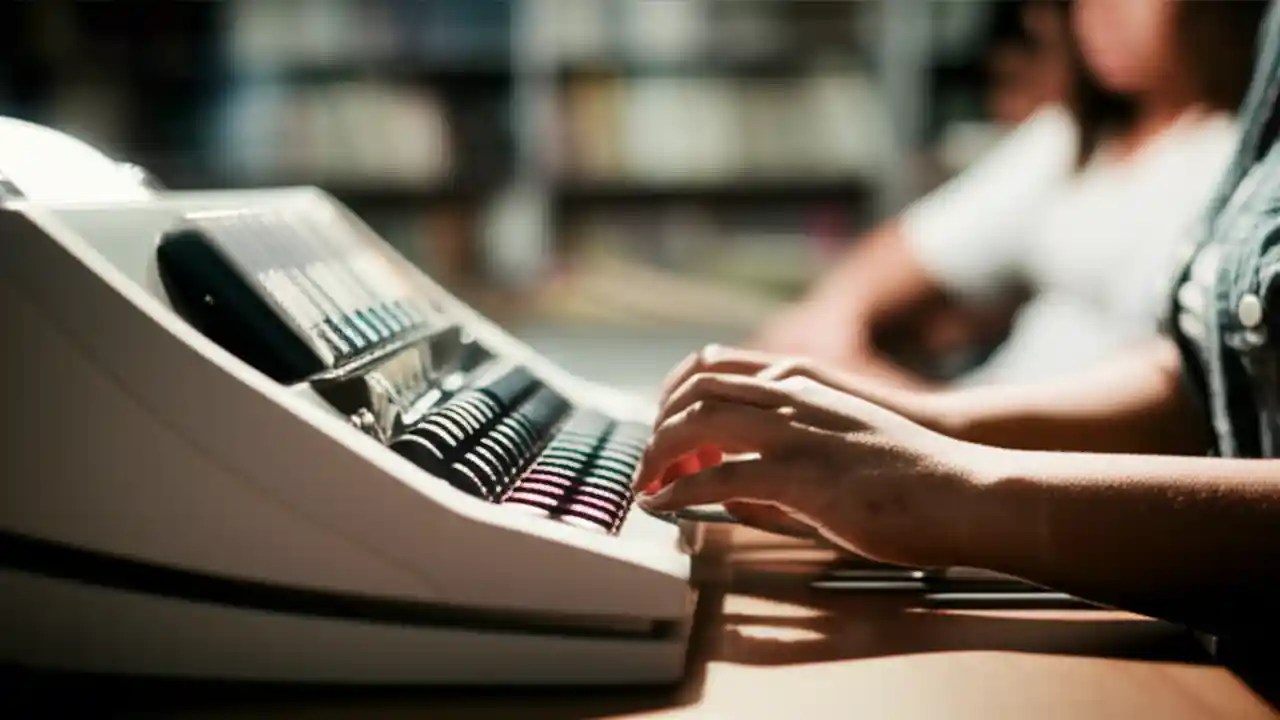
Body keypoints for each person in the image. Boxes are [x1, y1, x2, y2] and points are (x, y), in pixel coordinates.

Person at [631, 3, 1280, 639]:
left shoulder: (1216, 141)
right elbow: (1205, 377)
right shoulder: (1093, 134)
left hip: (1101, 544)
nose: (1096, 15)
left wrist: (958, 482)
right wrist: (920, 428)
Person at [754, 0, 1264, 388]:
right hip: (984, 424)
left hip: (1043, 458)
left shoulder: (1239, 158)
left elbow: (1171, 389)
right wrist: (831, 323)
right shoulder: (1073, 138)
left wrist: (911, 413)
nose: (1100, 14)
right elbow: (908, 251)